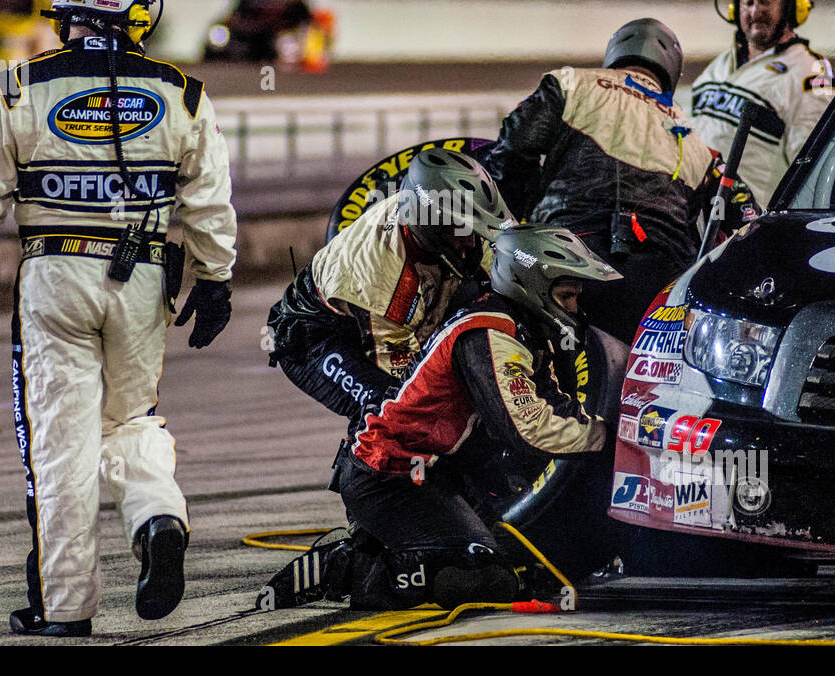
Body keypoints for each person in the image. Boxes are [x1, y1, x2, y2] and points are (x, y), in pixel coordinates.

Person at [0, 0, 237, 637]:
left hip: (54, 275)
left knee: (62, 444)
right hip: (142, 280)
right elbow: (210, 200)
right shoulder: (184, 93)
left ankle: (65, 607)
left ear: (66, 8)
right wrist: (217, 277)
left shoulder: (17, 87)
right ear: (134, 9)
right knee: (132, 419)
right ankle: (158, 517)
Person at [260, 223, 618, 611]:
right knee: (483, 578)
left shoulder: (522, 329)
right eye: (567, 296)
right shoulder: (490, 332)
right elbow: (527, 429)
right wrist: (613, 437)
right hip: (389, 477)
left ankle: (406, 542)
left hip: (438, 469)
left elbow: (556, 408)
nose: (575, 309)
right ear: (531, 284)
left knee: (531, 563)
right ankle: (348, 565)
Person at [482, 18, 723, 345]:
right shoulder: (691, 137)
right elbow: (713, 228)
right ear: (670, 72)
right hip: (658, 283)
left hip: (569, 258)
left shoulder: (571, 83)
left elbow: (513, 148)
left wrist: (512, 227)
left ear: (614, 53)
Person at [265, 148, 514, 439]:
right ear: (432, 227)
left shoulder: (438, 214)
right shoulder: (386, 279)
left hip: (381, 301)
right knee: (392, 409)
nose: (473, 241)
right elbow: (408, 380)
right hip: (314, 334)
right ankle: (369, 477)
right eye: (464, 231)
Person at [689, 0, 835, 205]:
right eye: (747, 2)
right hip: (695, 220)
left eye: (766, 1)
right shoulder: (720, 64)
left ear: (792, 7)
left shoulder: (809, 74)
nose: (755, 11)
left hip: (745, 230)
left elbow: (814, 175)